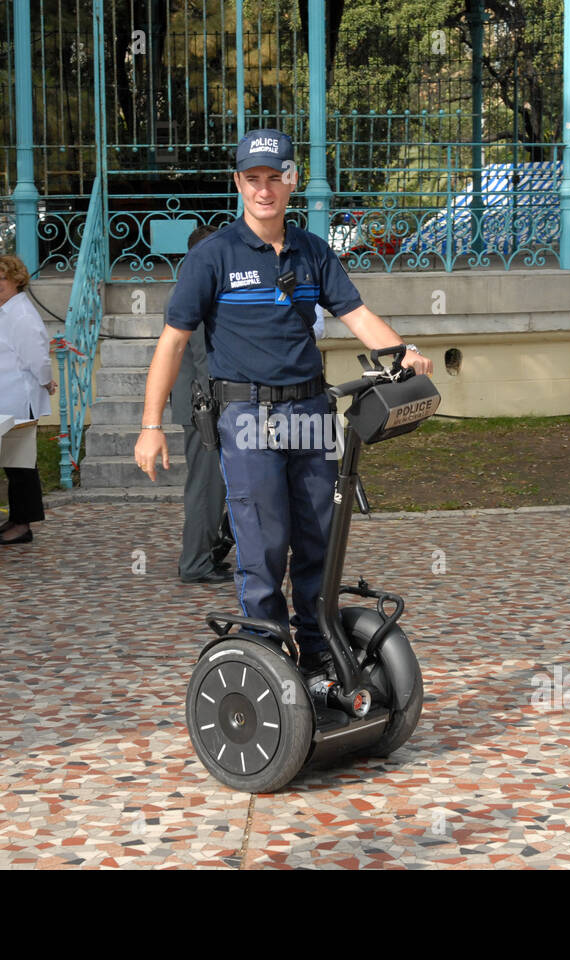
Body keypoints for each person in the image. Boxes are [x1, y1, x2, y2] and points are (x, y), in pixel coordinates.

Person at [133, 128, 433, 679]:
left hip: (313, 414)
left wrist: (403, 351)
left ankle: (320, 651)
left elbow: (357, 315)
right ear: (238, 183)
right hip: (246, 416)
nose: (264, 189)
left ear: (291, 180)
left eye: (275, 177)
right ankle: (265, 656)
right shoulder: (213, 257)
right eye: (253, 178)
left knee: (319, 538)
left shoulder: (314, 251)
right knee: (264, 544)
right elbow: (173, 341)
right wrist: (151, 424)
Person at [0, 254, 56, 545]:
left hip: (14, 402)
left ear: (17, 280)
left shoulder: (21, 316)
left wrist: (46, 382)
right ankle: (15, 519)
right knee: (12, 465)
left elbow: (37, 358)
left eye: (2, 278)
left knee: (21, 466)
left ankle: (23, 525)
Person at [173, 224, 233, 584]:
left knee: (212, 487)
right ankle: (196, 563)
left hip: (202, 404)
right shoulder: (197, 290)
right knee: (206, 489)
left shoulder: (193, 286)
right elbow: (204, 360)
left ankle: (205, 555)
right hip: (205, 407)